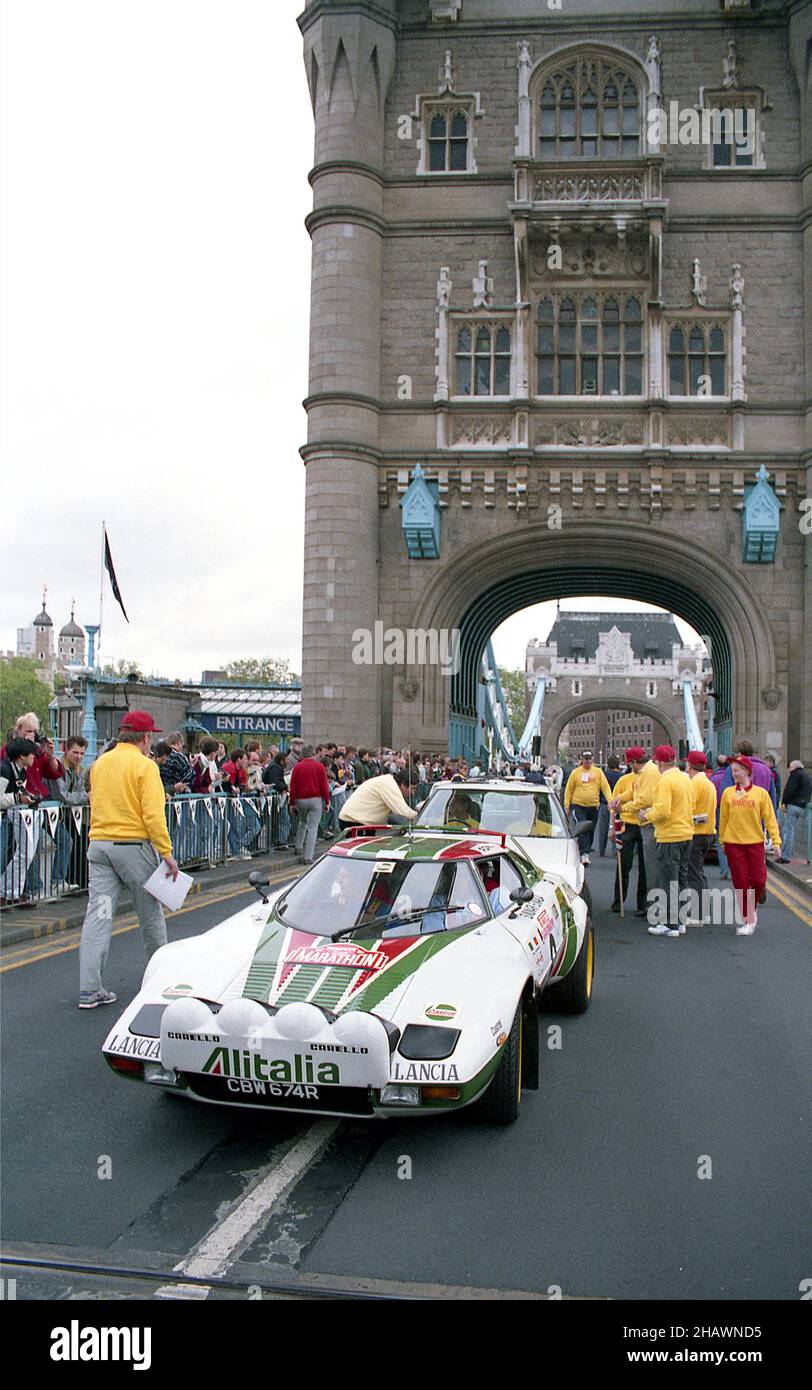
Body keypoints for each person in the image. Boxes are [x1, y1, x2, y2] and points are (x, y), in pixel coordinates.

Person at [77, 711, 178, 1009]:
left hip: (100, 848)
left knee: (99, 916)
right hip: (133, 849)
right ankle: (163, 981)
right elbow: (153, 815)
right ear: (146, 738)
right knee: (150, 915)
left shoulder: (99, 765)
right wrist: (166, 853)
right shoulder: (145, 767)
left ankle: (89, 989)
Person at [719, 754, 781, 935]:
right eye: (732, 771)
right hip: (733, 843)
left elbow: (770, 819)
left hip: (755, 843)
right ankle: (748, 918)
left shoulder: (761, 794)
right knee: (740, 882)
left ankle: (752, 905)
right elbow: (723, 819)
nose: (734, 774)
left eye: (737, 770)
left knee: (759, 880)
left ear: (746, 771)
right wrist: (722, 840)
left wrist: (776, 842)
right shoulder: (727, 793)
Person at [639, 745, 693, 938]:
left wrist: (646, 815)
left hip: (669, 836)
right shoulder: (685, 778)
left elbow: (662, 811)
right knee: (682, 879)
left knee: (668, 881)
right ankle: (680, 921)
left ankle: (670, 924)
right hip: (686, 834)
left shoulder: (665, 781)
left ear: (660, 762)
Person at [614, 747, 661, 905]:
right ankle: (642, 904)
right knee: (641, 864)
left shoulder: (649, 773)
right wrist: (620, 798)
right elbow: (635, 793)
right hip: (637, 822)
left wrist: (623, 808)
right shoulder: (642, 774)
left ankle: (648, 904)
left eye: (630, 763)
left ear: (635, 762)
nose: (630, 767)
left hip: (648, 822)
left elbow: (644, 800)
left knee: (648, 866)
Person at [0, 738, 41, 904]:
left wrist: (26, 797)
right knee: (23, 854)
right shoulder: (4, 770)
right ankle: (6, 890)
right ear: (21, 756)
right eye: (32, 754)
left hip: (16, 815)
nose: (34, 758)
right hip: (7, 817)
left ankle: (12, 890)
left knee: (26, 854)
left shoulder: (20, 771)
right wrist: (18, 797)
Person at [610, 751, 648, 917]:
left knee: (644, 867)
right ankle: (619, 901)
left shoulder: (647, 778)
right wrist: (612, 827)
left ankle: (643, 904)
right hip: (627, 825)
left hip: (645, 824)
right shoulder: (623, 780)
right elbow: (614, 804)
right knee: (624, 864)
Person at [683, 751, 718, 926]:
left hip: (696, 833)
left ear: (690, 765)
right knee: (699, 873)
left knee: (693, 874)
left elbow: (689, 808)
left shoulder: (695, 784)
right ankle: (703, 911)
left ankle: (697, 915)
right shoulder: (708, 783)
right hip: (708, 832)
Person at [563, 752, 613, 865]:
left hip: (593, 807)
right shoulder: (575, 773)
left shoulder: (598, 772)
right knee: (582, 828)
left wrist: (610, 800)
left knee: (591, 831)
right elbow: (569, 789)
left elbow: (605, 787)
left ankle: (586, 849)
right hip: (578, 805)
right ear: (582, 759)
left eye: (589, 759)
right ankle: (583, 853)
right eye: (585, 759)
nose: (588, 761)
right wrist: (566, 805)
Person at [289, 745, 331, 865]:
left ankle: (298, 846)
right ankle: (308, 857)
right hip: (316, 799)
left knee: (302, 822)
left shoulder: (297, 767)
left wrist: (292, 803)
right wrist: (327, 801)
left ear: (303, 754)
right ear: (313, 754)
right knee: (313, 828)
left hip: (300, 800)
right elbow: (324, 786)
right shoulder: (319, 766)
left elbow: (293, 786)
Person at [339, 769, 418, 828]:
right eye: (413, 788)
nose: (413, 793)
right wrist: (422, 816)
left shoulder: (388, 782)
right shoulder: (390, 786)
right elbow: (403, 811)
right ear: (403, 785)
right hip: (353, 822)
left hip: (358, 821)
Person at [777, 760, 811, 863]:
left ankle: (785, 856)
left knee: (788, 830)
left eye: (790, 767)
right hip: (802, 806)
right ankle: (792, 853)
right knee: (793, 830)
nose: (788, 770)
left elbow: (789, 789)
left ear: (795, 767)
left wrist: (784, 802)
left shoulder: (795, 775)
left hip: (793, 805)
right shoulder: (807, 776)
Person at [597, 754, 623, 857]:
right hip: (616, 804)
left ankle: (601, 849)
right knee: (616, 827)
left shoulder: (604, 774)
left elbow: (600, 788)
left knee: (602, 828)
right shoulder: (621, 776)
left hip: (604, 803)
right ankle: (615, 851)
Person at [710, 754, 731, 878]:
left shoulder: (713, 779)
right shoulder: (733, 777)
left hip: (718, 810)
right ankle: (735, 871)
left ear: (717, 764)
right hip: (733, 810)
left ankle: (724, 871)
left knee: (720, 840)